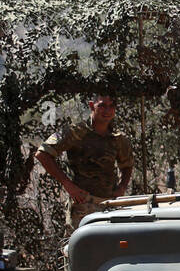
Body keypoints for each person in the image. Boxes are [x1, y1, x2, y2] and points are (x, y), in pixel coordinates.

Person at [35, 92, 133, 230]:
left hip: (109, 205)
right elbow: (42, 154)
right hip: (82, 205)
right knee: (79, 248)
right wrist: (68, 185)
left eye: (111, 106)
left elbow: (127, 164)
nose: (107, 110)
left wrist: (122, 187)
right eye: (102, 106)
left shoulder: (118, 138)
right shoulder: (75, 132)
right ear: (92, 106)